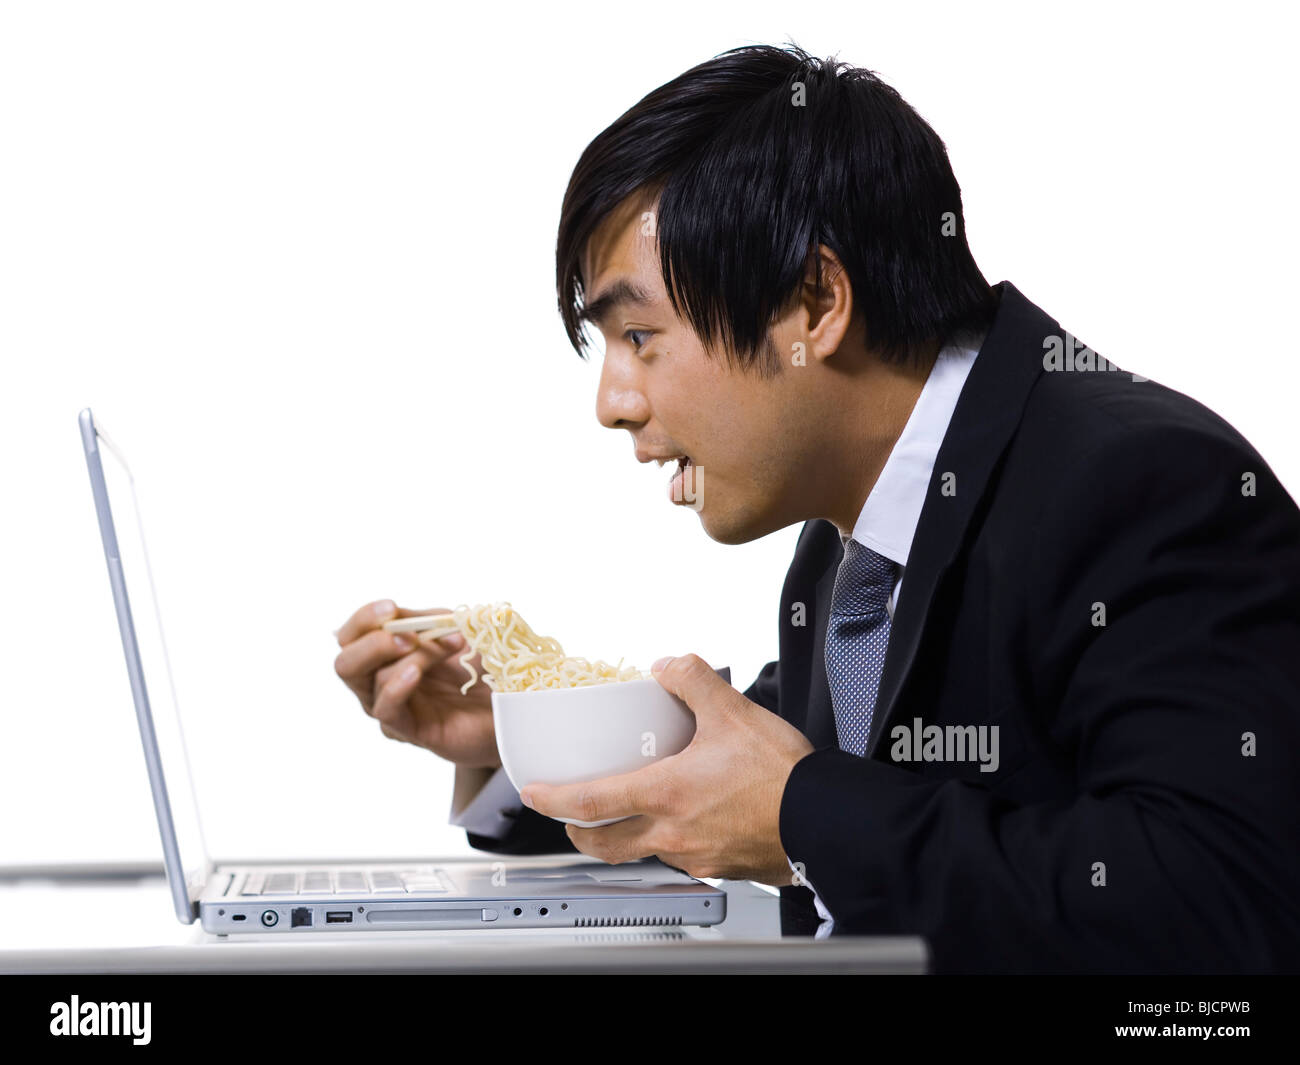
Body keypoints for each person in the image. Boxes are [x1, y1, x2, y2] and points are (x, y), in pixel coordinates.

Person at [333, 43, 1300, 973]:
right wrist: (523, 727)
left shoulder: (1142, 481)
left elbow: (1230, 902)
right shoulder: (853, 541)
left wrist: (804, 817)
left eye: (639, 334)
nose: (612, 403)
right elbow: (759, 764)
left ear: (815, 302)